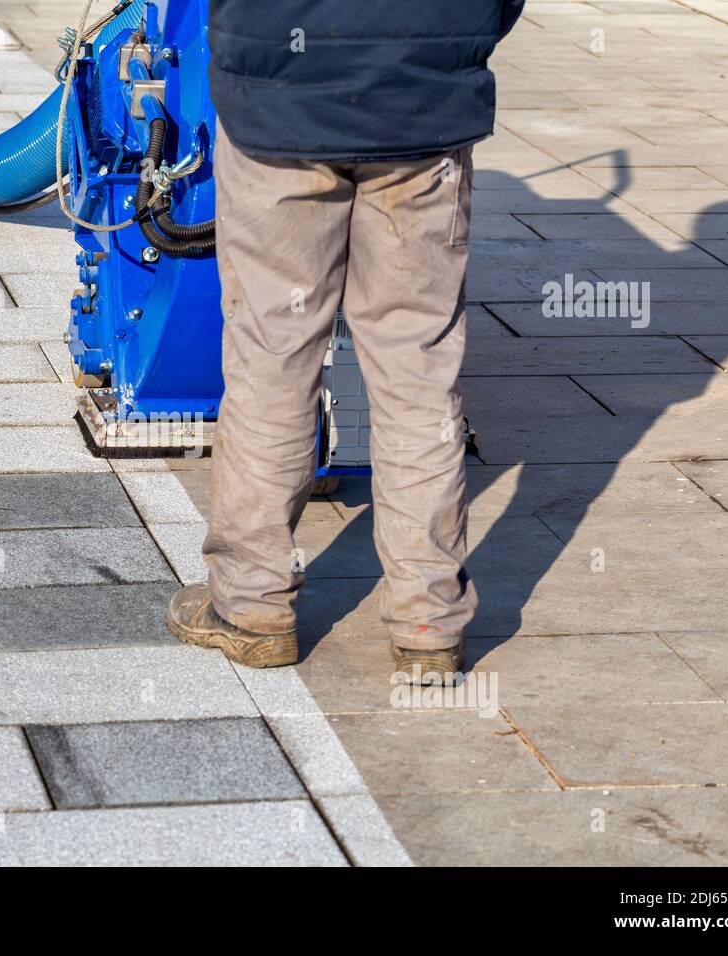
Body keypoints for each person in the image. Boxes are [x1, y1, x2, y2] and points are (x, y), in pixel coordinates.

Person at [167, 1, 526, 683]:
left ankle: (252, 606)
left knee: (272, 362)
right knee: (418, 373)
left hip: (278, 107)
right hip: (424, 114)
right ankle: (428, 624)